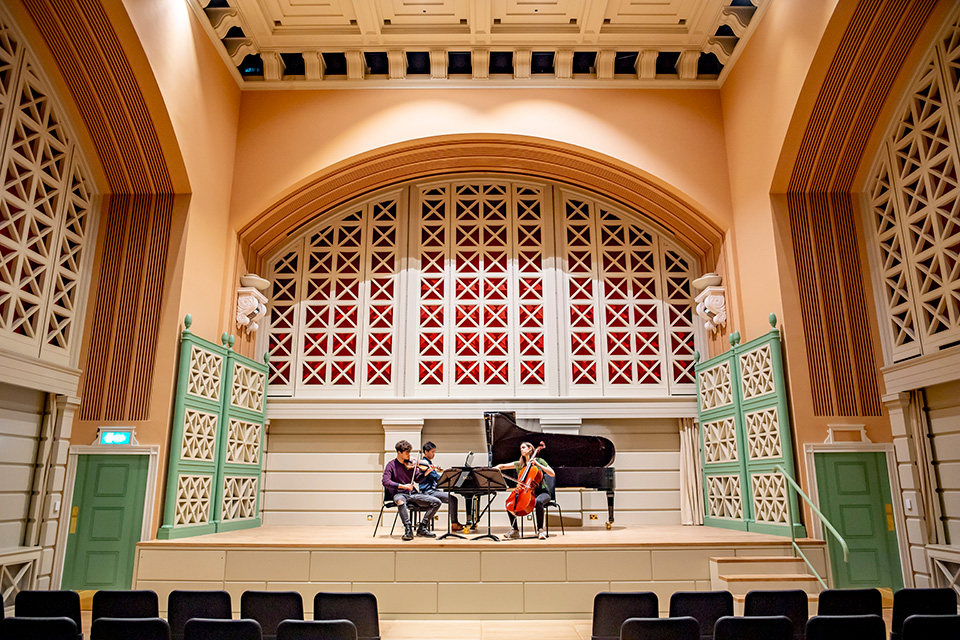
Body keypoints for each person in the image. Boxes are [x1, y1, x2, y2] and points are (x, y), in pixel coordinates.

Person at [381, 440, 441, 540]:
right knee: (400, 501)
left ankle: (422, 527)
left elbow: (418, 479)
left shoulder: (411, 465)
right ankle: (408, 529)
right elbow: (385, 482)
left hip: (412, 494)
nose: (409, 455)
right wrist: (403, 486)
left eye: (409, 453)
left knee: (437, 502)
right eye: (406, 453)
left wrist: (426, 472)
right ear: (399, 453)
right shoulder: (391, 465)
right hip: (399, 494)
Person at [496, 441, 555, 540]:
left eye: (523, 447)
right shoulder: (520, 464)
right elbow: (502, 466)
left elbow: (552, 473)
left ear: (530, 449)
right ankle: (515, 530)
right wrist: (495, 468)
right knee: (510, 503)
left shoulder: (539, 461)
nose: (521, 450)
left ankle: (540, 530)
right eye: (521, 449)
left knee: (538, 501)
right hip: (526, 492)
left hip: (542, 492)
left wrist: (537, 464)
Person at [417, 441, 464, 532]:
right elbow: (436, 478)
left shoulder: (428, 463)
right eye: (432, 452)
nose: (434, 454)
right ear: (426, 452)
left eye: (434, 452)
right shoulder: (424, 463)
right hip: (428, 491)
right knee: (453, 499)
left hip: (433, 490)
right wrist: (447, 479)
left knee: (453, 499)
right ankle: (454, 523)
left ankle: (454, 523)